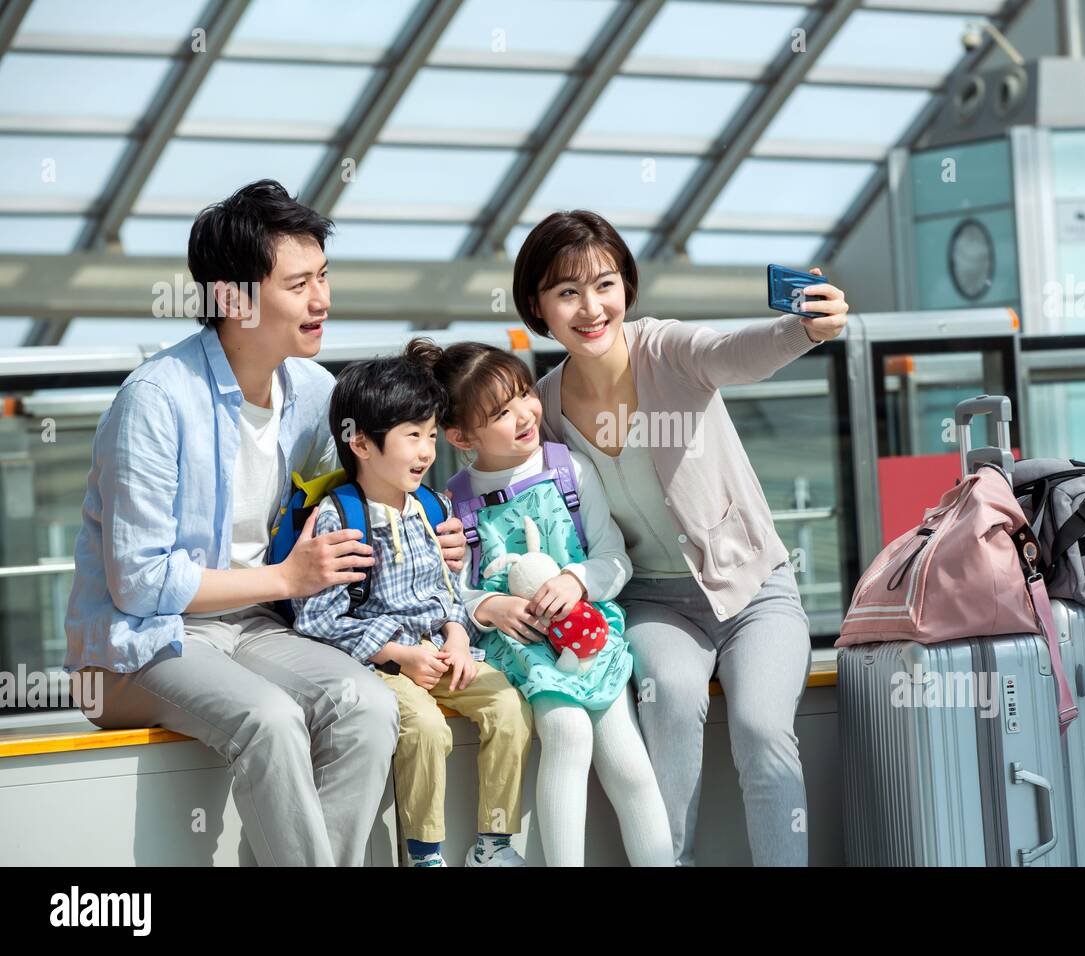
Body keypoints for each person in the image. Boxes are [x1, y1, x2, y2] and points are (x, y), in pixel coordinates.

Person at [62, 179, 467, 866]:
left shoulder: (313, 393)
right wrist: (283, 574)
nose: (322, 300)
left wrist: (428, 530)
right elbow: (138, 582)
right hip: (139, 644)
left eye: (324, 276)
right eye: (299, 283)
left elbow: (361, 494)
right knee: (272, 720)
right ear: (232, 299)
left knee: (365, 706)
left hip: (256, 628)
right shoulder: (156, 401)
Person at [515, 210, 849, 866]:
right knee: (668, 697)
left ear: (627, 287)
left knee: (759, 728)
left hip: (756, 593)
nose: (591, 308)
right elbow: (500, 475)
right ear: (539, 307)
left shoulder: (667, 351)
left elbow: (735, 353)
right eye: (567, 292)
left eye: (605, 284)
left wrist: (805, 328)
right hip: (653, 603)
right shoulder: (545, 408)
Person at [430, 340, 674, 867]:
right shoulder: (456, 500)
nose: (523, 415)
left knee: (629, 764)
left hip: (589, 634)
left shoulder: (571, 469)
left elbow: (613, 557)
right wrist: (487, 606)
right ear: (460, 436)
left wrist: (576, 579)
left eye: (523, 395)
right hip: (524, 647)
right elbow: (454, 590)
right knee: (565, 732)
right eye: (500, 412)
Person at [292, 344, 533, 868]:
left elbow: (448, 589)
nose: (426, 451)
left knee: (508, 707)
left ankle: (493, 844)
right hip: (381, 663)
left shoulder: (431, 505)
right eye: (411, 436)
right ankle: (424, 854)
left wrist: (458, 634)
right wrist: (398, 654)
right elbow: (319, 620)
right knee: (425, 728)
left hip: (438, 651)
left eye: (430, 434)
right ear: (361, 442)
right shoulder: (342, 519)